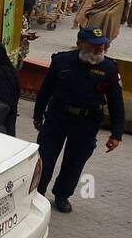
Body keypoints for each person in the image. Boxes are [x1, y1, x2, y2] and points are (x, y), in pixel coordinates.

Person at [32, 27, 125, 213]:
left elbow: (116, 102)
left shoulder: (109, 68)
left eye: (102, 46)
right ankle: (37, 194)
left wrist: (117, 133)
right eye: (94, 46)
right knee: (46, 157)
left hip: (86, 122)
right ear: (79, 44)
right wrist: (37, 114)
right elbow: (46, 90)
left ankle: (62, 195)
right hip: (57, 117)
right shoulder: (61, 61)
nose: (99, 49)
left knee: (74, 162)